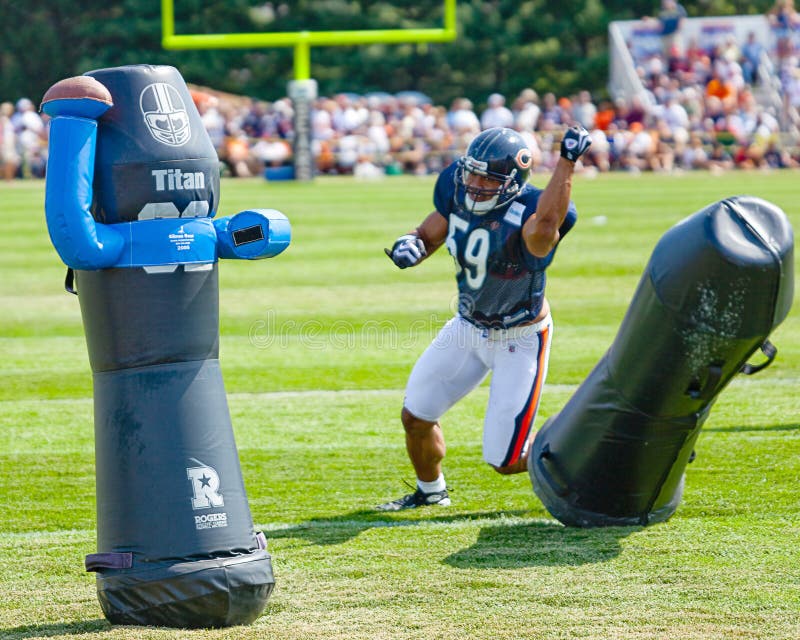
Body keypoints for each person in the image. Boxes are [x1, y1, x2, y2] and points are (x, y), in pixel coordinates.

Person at [378, 125, 591, 510]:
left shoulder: (531, 213)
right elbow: (430, 231)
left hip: (519, 336)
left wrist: (567, 161)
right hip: (467, 327)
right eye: (471, 172)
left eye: (487, 177)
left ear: (513, 181)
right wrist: (411, 244)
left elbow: (545, 227)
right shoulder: (456, 189)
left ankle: (600, 445)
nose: (474, 183)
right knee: (416, 417)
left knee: (507, 461)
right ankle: (431, 492)